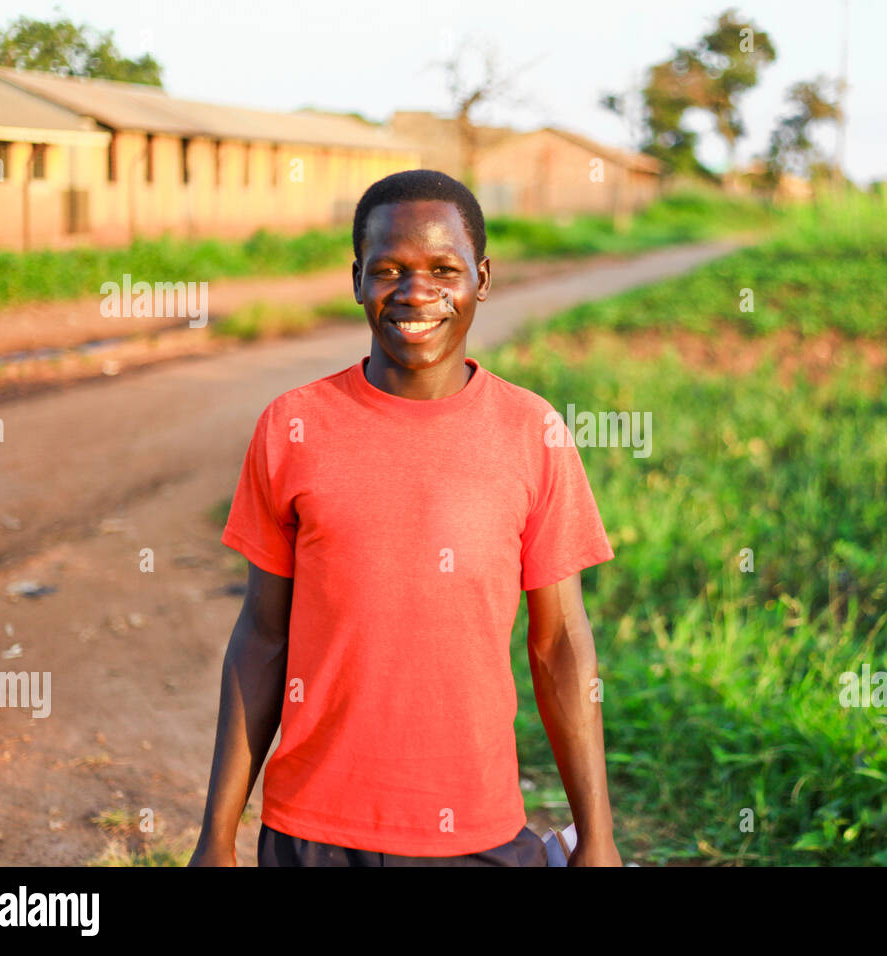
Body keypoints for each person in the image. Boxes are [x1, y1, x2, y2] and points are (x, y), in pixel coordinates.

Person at [189, 169, 621, 867]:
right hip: (313, 834)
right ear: (357, 279)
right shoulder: (293, 427)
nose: (416, 293)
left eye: (443, 269)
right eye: (388, 269)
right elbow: (262, 638)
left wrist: (596, 838)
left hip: (478, 833)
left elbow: (561, 645)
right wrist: (216, 836)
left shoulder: (531, 431)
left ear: (482, 277)